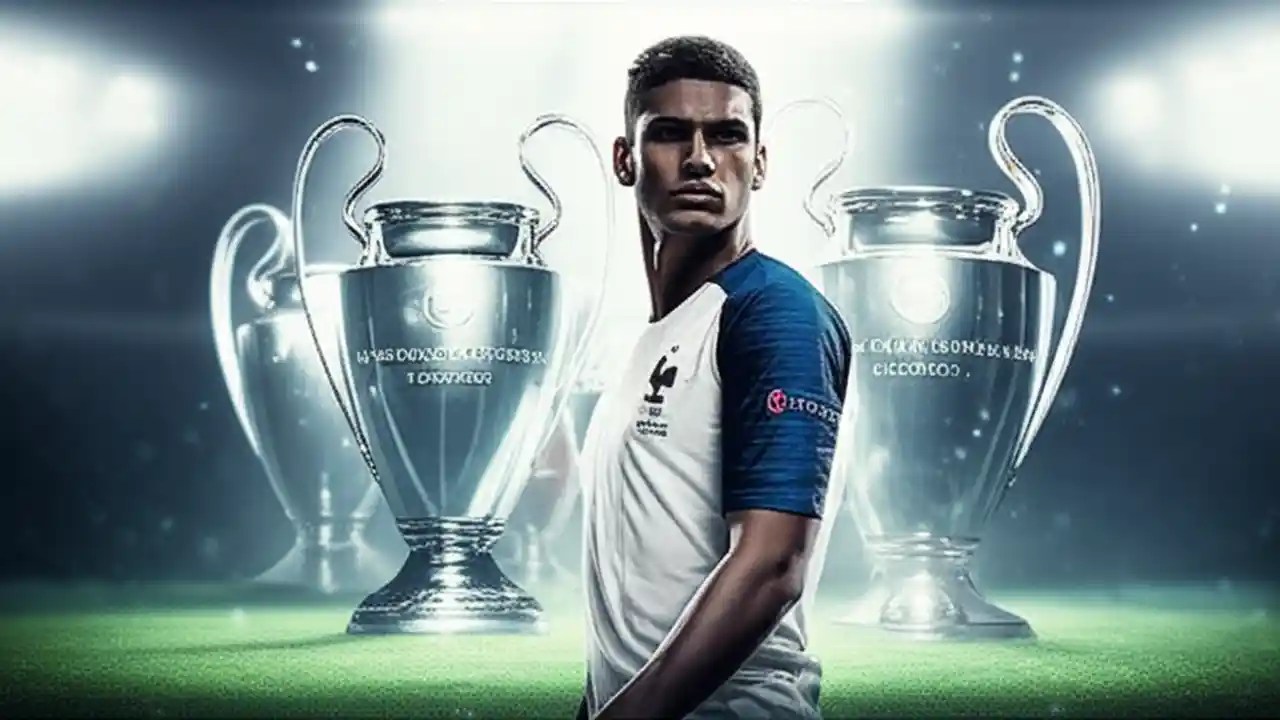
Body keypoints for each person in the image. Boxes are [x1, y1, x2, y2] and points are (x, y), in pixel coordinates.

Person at [576, 35, 853, 720]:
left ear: (760, 163)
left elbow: (772, 568)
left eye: (727, 136)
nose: (699, 159)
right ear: (625, 159)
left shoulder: (776, 312)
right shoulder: (653, 338)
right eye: (670, 133)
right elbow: (627, 606)